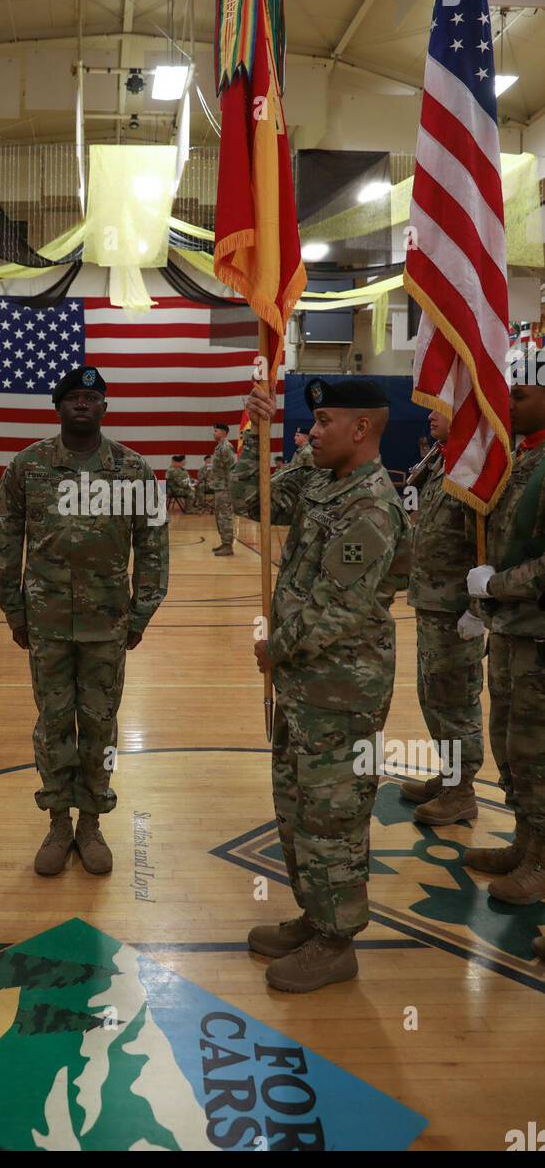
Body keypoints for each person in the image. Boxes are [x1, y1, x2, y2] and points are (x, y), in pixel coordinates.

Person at [232, 376, 411, 993]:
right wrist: (251, 438)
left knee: (334, 812)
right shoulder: (318, 479)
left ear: (360, 429)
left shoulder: (373, 506)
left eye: (324, 421)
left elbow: (337, 608)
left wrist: (273, 649)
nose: (310, 432)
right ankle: (316, 915)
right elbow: (245, 499)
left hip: (342, 689)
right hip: (304, 682)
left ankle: (339, 942)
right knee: (298, 806)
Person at [0, 365, 168, 877]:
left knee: (100, 725)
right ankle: (58, 821)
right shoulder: (28, 466)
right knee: (52, 724)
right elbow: (5, 539)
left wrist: (141, 613)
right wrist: (12, 608)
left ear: (105, 407)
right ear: (58, 407)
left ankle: (92, 820)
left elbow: (153, 544)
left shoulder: (132, 470)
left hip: (108, 623)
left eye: (92, 397)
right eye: (73, 397)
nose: (83, 404)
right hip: (45, 622)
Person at [464, 352, 545, 955]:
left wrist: (494, 586)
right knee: (509, 744)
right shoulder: (525, 461)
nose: (507, 400)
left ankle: (541, 858)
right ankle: (523, 839)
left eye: (521, 393)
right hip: (515, 631)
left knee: (537, 751)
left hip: (538, 631)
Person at [400, 409, 483, 825]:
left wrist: (479, 610)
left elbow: (488, 545)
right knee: (431, 695)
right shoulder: (440, 459)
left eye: (442, 405)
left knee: (455, 702)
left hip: (456, 607)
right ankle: (450, 778)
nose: (432, 413)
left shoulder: (472, 465)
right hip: (432, 601)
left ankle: (462, 791)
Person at [209, 422, 236, 555]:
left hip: (225, 488)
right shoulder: (219, 447)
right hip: (219, 487)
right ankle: (224, 542)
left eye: (216, 431)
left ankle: (228, 545)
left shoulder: (226, 447)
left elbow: (232, 467)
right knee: (219, 516)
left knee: (225, 516)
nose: (214, 433)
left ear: (224, 432)